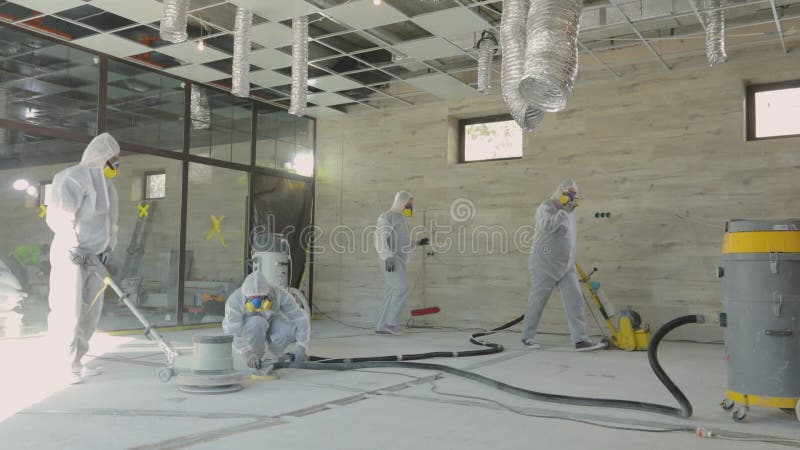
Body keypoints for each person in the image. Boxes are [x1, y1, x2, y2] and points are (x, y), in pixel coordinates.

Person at [46, 133, 121, 384]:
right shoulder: (71, 178)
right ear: (101, 157)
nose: (117, 165)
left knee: (90, 312)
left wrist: (109, 246)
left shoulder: (109, 187)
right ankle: (60, 365)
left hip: (95, 257)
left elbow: (111, 222)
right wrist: (71, 244)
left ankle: (77, 361)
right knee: (68, 311)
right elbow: (59, 214)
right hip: (72, 255)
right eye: (114, 159)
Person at [521, 180, 604, 352]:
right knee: (538, 301)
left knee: (575, 300)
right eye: (568, 193)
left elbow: (569, 239)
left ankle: (580, 340)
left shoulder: (570, 213)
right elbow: (546, 226)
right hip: (544, 263)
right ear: (561, 192)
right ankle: (527, 337)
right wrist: (563, 211)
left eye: (574, 193)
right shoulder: (547, 206)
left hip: (565, 265)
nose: (572, 196)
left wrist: (570, 258)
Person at [222, 272, 310, 370]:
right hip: (250, 327)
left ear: (268, 293)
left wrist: (301, 347)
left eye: (261, 297)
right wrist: (246, 352)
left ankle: (275, 355)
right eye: (252, 298)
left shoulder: (278, 294)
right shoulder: (235, 300)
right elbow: (231, 331)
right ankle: (256, 357)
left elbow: (300, 317)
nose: (257, 301)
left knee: (288, 330)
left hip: (272, 321)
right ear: (246, 295)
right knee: (257, 322)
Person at [374, 191, 427, 335]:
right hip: (391, 259)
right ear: (402, 201)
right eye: (410, 202)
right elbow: (380, 238)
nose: (411, 205)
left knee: (392, 291)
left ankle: (382, 326)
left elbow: (403, 242)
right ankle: (391, 325)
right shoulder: (387, 217)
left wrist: (417, 243)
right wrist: (387, 257)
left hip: (399, 260)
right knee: (401, 288)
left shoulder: (402, 219)